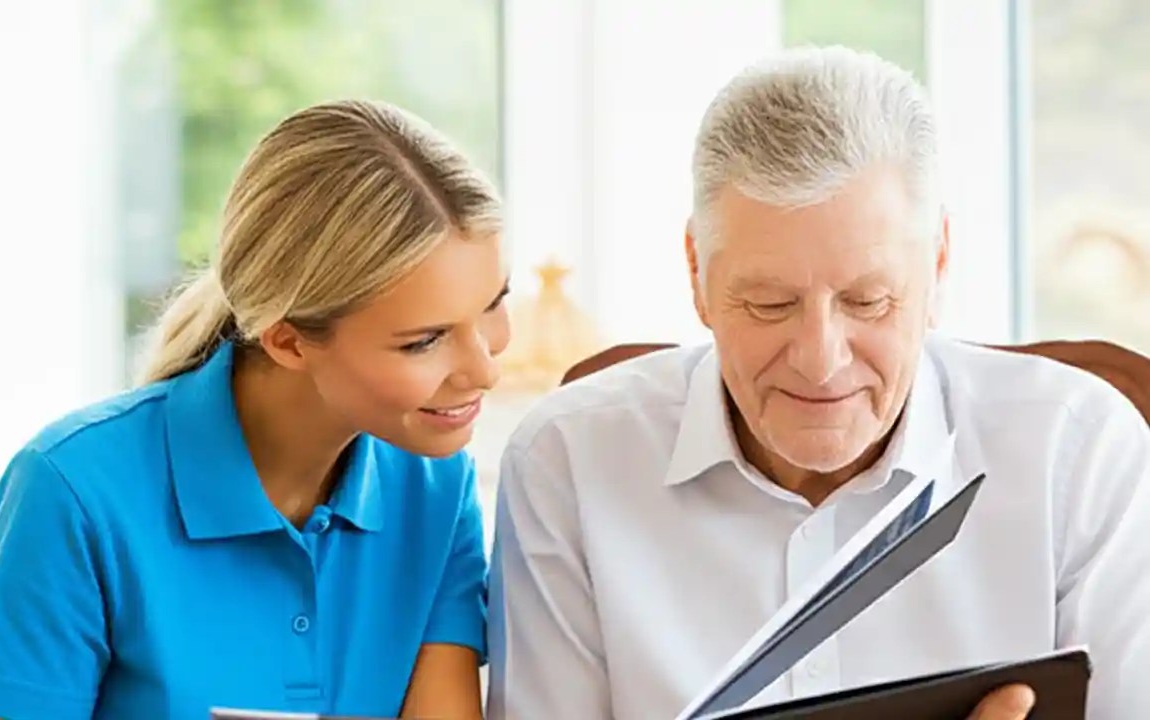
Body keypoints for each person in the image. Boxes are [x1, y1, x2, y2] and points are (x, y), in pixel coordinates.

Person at [487, 46, 1149, 720]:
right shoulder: (567, 462)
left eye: (868, 301)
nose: (821, 361)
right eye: (770, 304)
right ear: (697, 272)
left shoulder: (1083, 453)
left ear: (939, 263)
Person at [0, 100, 509, 720]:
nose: (486, 370)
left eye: (493, 305)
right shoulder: (73, 490)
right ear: (289, 340)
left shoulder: (435, 487)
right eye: (424, 340)